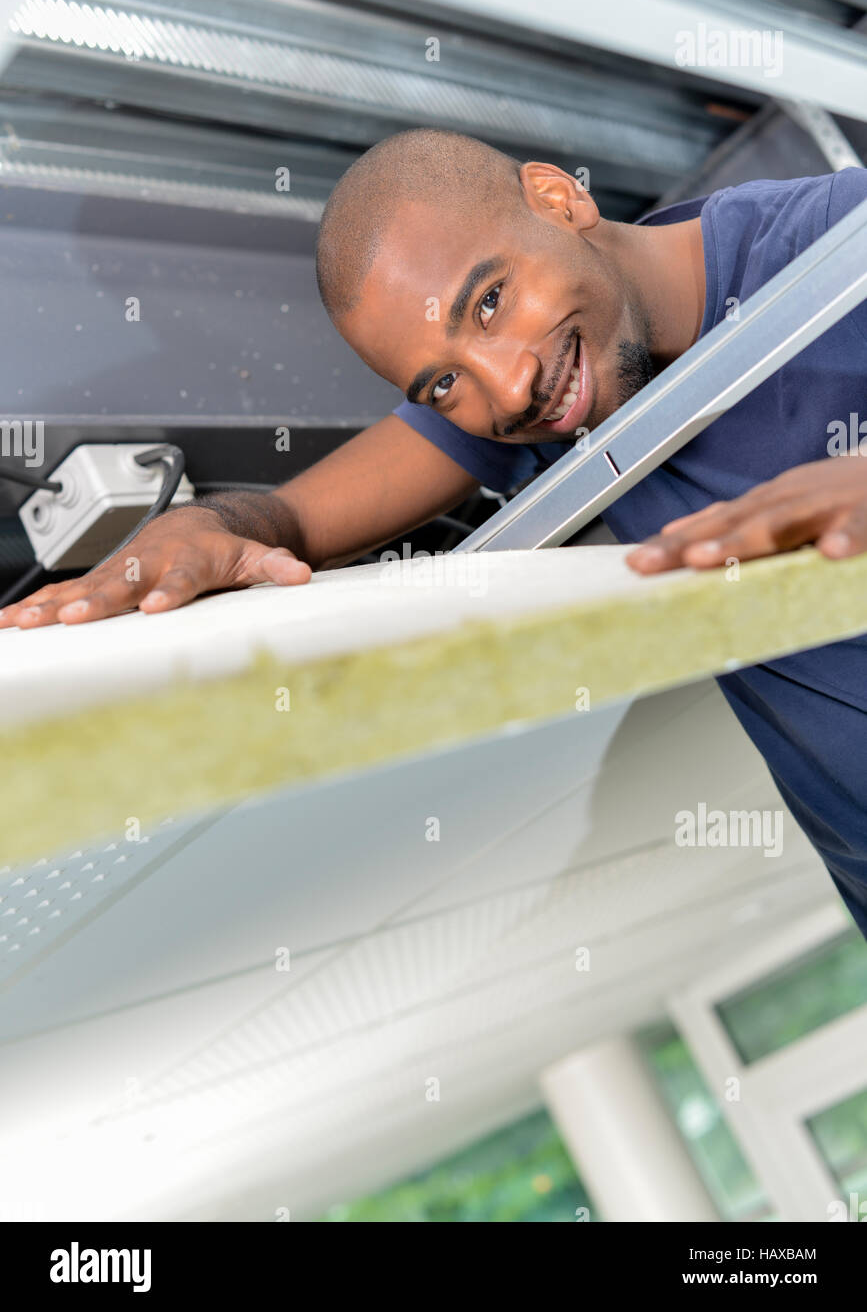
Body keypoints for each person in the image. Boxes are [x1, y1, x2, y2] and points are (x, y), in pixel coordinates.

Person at [2, 128, 866, 933]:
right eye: (443, 384)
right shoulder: (550, 407)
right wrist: (204, 525)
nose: (507, 387)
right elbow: (293, 519)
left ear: (559, 200)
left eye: (489, 302)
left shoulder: (834, 236)